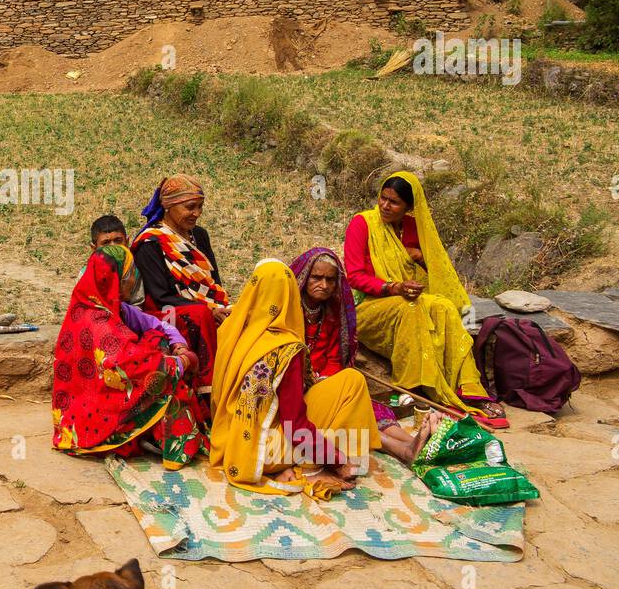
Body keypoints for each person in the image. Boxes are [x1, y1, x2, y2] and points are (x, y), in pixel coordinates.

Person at [344, 172, 508, 427]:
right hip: (368, 307)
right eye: (383, 198)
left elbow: (438, 271)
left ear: (409, 207)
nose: (385, 206)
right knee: (411, 307)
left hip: (411, 300)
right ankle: (410, 388)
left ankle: (469, 389)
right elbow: (354, 276)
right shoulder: (362, 224)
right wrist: (394, 286)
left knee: (443, 306)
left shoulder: (413, 227)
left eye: (394, 202)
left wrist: (419, 257)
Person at [209, 259, 382, 497]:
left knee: (349, 379)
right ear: (290, 295)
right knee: (352, 384)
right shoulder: (286, 347)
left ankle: (301, 462)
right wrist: (337, 461)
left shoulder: (233, 329)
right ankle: (312, 469)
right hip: (261, 453)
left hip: (228, 441)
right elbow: (294, 425)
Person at [52, 245, 208, 470]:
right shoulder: (99, 322)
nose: (134, 280)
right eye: (129, 276)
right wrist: (183, 362)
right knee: (169, 384)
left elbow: (155, 325)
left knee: (156, 339)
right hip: (93, 417)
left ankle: (152, 435)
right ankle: (175, 448)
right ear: (116, 281)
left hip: (78, 408)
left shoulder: (99, 307)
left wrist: (178, 345)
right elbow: (132, 367)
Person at [291, 247, 440, 463]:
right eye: (317, 277)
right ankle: (404, 451)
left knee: (371, 408)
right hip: (296, 392)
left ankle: (414, 442)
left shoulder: (331, 312)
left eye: (330, 280)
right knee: (353, 412)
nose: (324, 285)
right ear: (304, 277)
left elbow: (334, 360)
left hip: (324, 383)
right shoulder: (288, 310)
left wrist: (326, 380)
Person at [131, 175, 228, 399]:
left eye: (200, 207)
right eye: (190, 207)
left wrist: (220, 307)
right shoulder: (151, 243)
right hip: (170, 312)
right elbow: (160, 294)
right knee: (201, 314)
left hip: (208, 306)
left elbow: (214, 282)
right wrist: (210, 310)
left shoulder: (200, 236)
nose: (197, 213)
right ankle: (208, 392)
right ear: (168, 206)